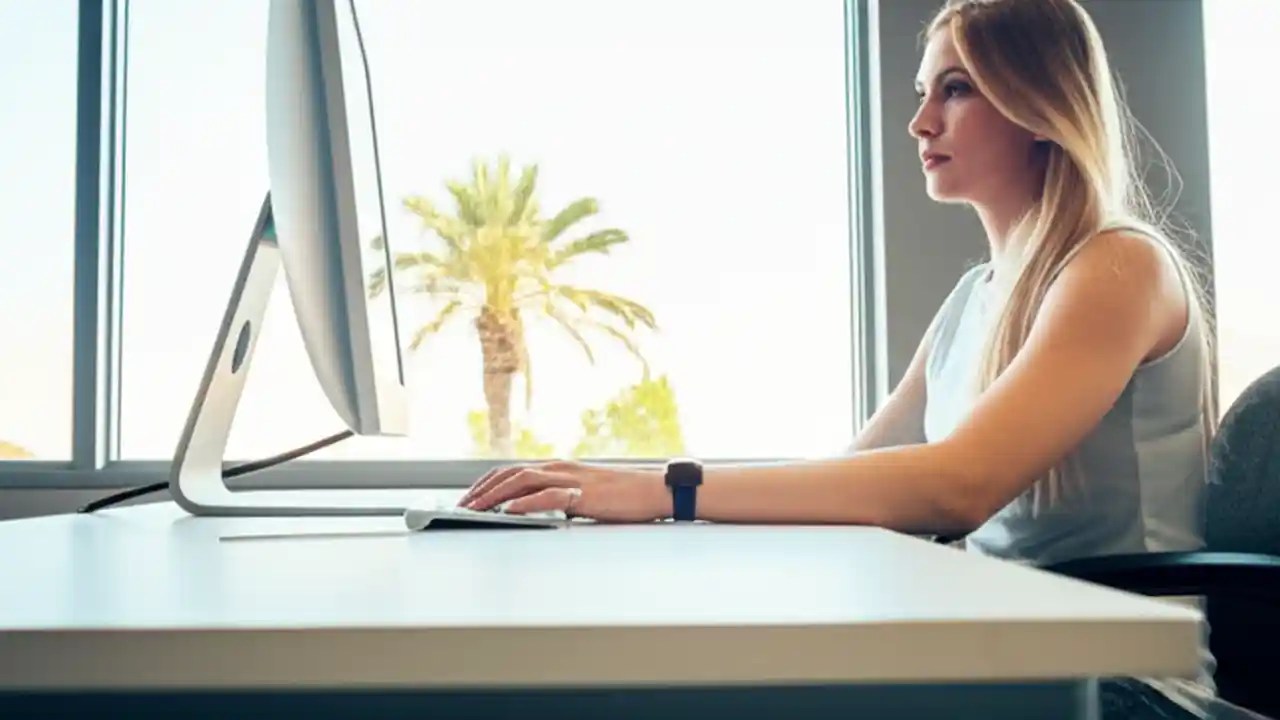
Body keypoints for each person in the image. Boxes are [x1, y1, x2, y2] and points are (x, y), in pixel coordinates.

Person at [460, 0, 1226, 717]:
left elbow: (959, 485)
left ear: (1040, 106)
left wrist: (668, 489)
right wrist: (645, 504)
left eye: (956, 90)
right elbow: (861, 472)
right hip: (1018, 657)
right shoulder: (974, 299)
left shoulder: (1117, 267)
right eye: (924, 91)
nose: (919, 121)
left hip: (1128, 690)